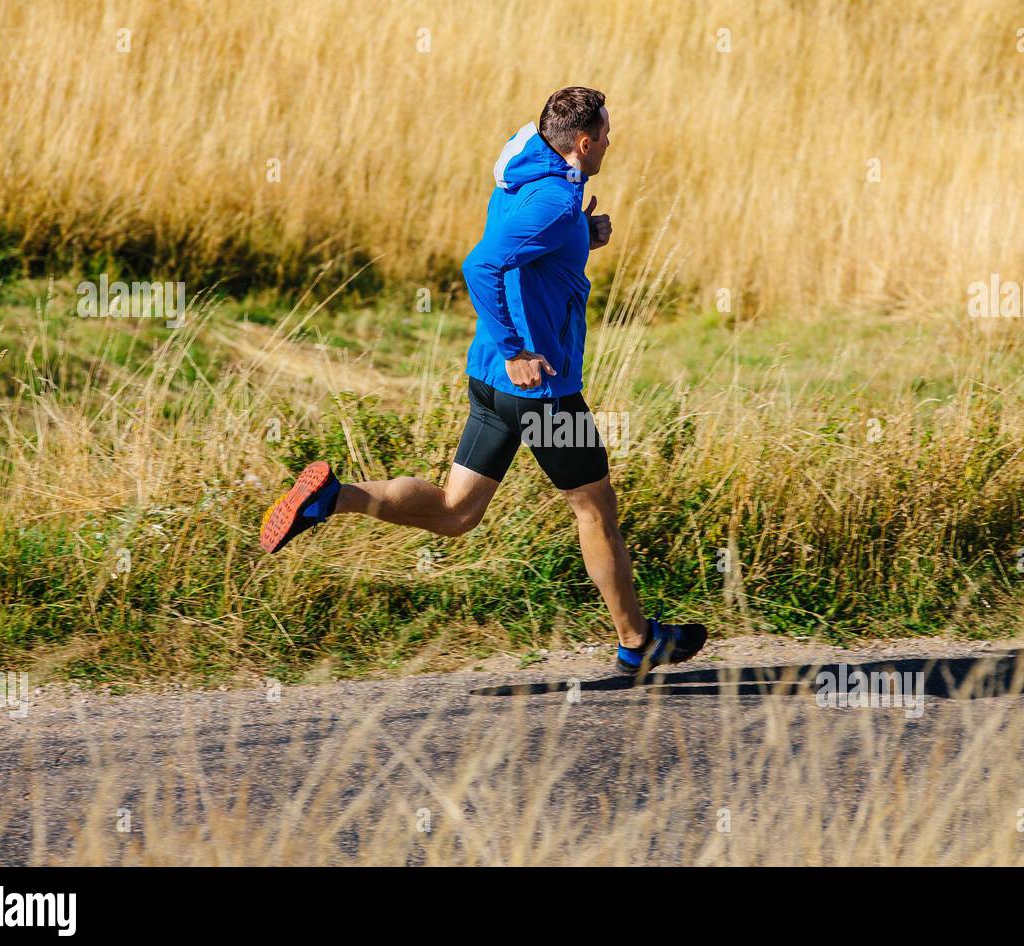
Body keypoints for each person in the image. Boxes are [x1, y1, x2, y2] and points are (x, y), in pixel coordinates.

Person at [260, 87, 707, 675]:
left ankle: (330, 498)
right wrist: (517, 348)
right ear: (582, 142)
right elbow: (482, 265)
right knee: (595, 510)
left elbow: (527, 253)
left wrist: (581, 233)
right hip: (542, 390)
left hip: (491, 384)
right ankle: (636, 641)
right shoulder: (550, 199)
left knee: (455, 512)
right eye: (604, 134)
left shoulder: (532, 177)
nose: (608, 142)